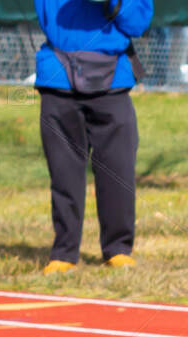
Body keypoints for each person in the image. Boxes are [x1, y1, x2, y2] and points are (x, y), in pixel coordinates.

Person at [33, 0, 151, 275]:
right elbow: (50, 18)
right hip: (58, 77)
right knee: (64, 173)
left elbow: (138, 24)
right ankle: (64, 251)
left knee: (118, 169)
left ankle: (118, 249)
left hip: (113, 80)